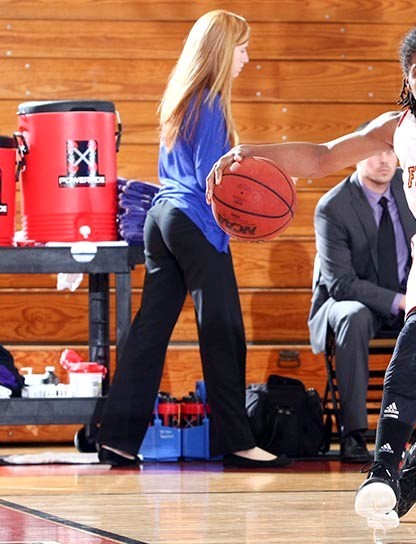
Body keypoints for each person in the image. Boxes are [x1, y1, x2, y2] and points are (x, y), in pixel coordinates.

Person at [207, 21, 416, 528]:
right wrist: (249, 152)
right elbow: (323, 156)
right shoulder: (398, 128)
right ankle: (383, 468)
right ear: (407, 80)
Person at [96, 10, 289, 469]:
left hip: (160, 218)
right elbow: (214, 182)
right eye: (242, 47)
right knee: (223, 332)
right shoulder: (212, 104)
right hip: (194, 221)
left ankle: (118, 438)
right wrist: (245, 218)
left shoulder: (181, 99)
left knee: (150, 331)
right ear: (223, 51)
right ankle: (238, 443)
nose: (246, 56)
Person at [308, 137, 416, 463]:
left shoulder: (412, 189)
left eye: (391, 151)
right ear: (356, 156)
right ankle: (354, 434)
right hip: (353, 300)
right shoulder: (333, 207)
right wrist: (401, 301)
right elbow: (341, 283)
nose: (384, 160)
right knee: (353, 317)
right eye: (374, 152)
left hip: (412, 293)